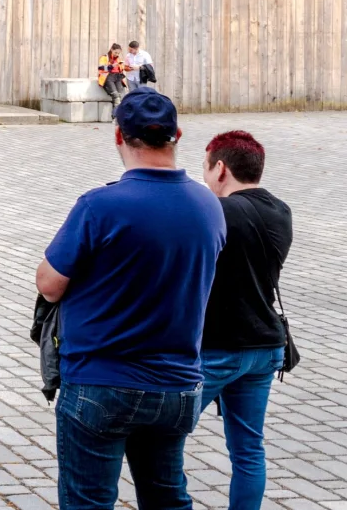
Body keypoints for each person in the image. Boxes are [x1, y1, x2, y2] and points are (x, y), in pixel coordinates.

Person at [35, 87, 225, 510]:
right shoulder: (209, 206)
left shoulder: (100, 206)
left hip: (101, 382)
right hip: (178, 386)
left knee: (89, 502)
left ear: (118, 136)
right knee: (167, 499)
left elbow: (48, 284)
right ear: (178, 135)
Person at [197, 130, 293, 510]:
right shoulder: (281, 210)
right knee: (248, 452)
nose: (204, 178)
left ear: (221, 168)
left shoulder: (216, 212)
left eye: (205, 169)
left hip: (219, 349)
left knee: (162, 438)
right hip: (265, 348)